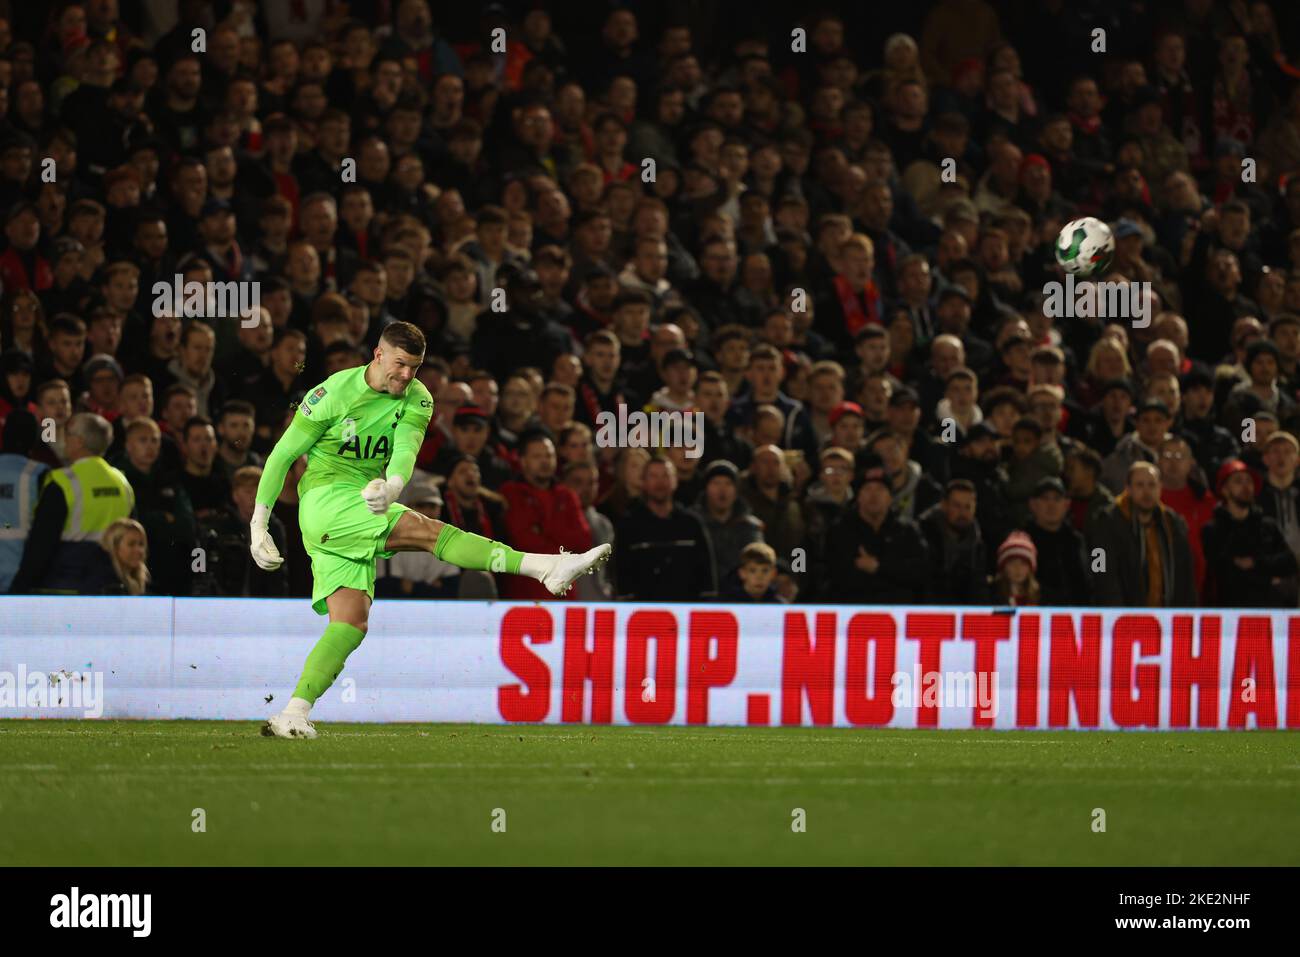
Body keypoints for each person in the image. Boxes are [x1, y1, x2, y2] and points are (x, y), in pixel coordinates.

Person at [251, 323, 610, 739]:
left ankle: (293, 712)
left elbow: (405, 451)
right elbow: (282, 455)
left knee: (351, 622)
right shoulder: (331, 394)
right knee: (427, 532)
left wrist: (393, 487)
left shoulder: (418, 398)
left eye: (415, 368)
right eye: (400, 365)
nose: (406, 376)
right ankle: (544, 568)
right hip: (326, 501)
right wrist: (259, 522)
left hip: (365, 499)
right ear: (378, 355)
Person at [8, 413, 133, 593]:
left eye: (68, 434)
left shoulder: (63, 482)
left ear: (79, 442)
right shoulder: (122, 482)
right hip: (112, 582)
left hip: (68, 582)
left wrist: (19, 588)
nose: (65, 440)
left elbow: (41, 544)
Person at [1089, 461, 1198, 607]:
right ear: (1128, 488)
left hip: (1167, 618)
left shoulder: (1173, 524)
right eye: (1140, 485)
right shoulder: (1106, 522)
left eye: (1152, 485)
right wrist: (1113, 612)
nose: (1147, 492)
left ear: (1160, 488)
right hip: (1122, 616)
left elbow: (1186, 576)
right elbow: (1100, 569)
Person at [825, 459, 929, 603]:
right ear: (858, 497)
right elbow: (837, 576)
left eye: (880, 489)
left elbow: (921, 572)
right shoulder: (841, 530)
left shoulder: (907, 530)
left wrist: (879, 568)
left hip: (899, 611)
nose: (874, 495)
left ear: (890, 498)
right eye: (868, 489)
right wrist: (893, 573)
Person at [614, 457, 716, 600]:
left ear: (675, 481)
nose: (660, 482)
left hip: (685, 613)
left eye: (665, 475)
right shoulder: (629, 526)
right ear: (643, 482)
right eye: (653, 476)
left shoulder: (692, 524)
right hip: (643, 614)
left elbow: (706, 574)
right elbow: (622, 574)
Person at [1201, 458, 1299, 608]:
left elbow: (1289, 562)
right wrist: (1268, 574)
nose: (1246, 486)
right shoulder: (1213, 529)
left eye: (1249, 481)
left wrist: (1256, 563)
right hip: (1228, 612)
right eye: (1238, 481)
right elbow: (1225, 572)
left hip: (1268, 609)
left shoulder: (1268, 526)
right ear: (1225, 490)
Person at [918, 478, 991, 603]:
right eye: (957, 506)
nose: (962, 513)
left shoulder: (977, 542)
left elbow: (978, 586)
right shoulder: (922, 536)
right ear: (944, 505)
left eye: (968, 507)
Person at [100, 517, 151, 595]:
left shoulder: (146, 582)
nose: (139, 550)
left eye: (141, 544)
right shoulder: (105, 586)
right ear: (114, 547)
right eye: (131, 544)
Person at [992, 531, 1039, 606]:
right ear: (1004, 567)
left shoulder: (1041, 595)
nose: (1018, 568)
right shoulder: (991, 594)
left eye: (1023, 563)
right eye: (1012, 563)